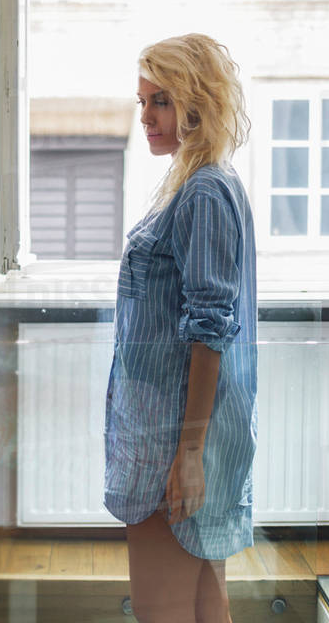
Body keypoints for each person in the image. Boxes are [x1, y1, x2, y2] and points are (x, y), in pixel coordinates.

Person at [104, 33, 258, 623]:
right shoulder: (196, 183)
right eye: (142, 101)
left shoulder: (204, 192)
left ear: (198, 103)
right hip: (173, 429)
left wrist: (188, 451)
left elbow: (210, 330)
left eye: (161, 101)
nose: (146, 116)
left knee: (159, 610)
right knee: (201, 599)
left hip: (172, 434)